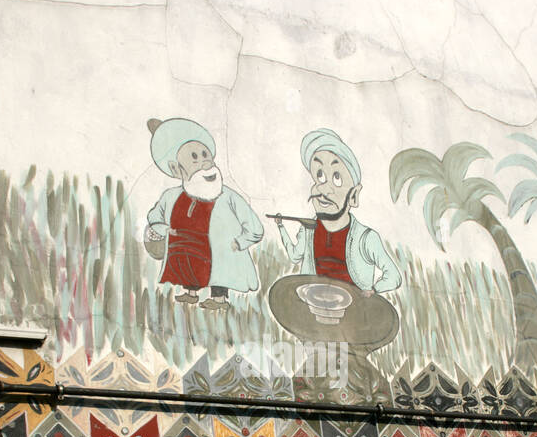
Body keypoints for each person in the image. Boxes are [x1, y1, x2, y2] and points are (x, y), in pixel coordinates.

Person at [143, 118, 264, 310]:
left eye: (206, 155)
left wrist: (240, 242)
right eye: (195, 158)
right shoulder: (171, 197)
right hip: (186, 255)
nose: (205, 164)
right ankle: (190, 293)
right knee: (189, 265)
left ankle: (219, 299)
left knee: (218, 269)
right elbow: (153, 217)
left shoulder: (228, 197)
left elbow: (255, 227)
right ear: (177, 170)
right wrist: (164, 229)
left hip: (219, 257)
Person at [277, 128, 401, 295]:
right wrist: (281, 227)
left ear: (354, 196)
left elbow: (393, 276)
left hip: (352, 315)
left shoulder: (366, 238)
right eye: (319, 175)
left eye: (337, 178)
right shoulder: (308, 230)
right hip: (313, 308)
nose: (324, 189)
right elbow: (294, 256)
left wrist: (373, 290)